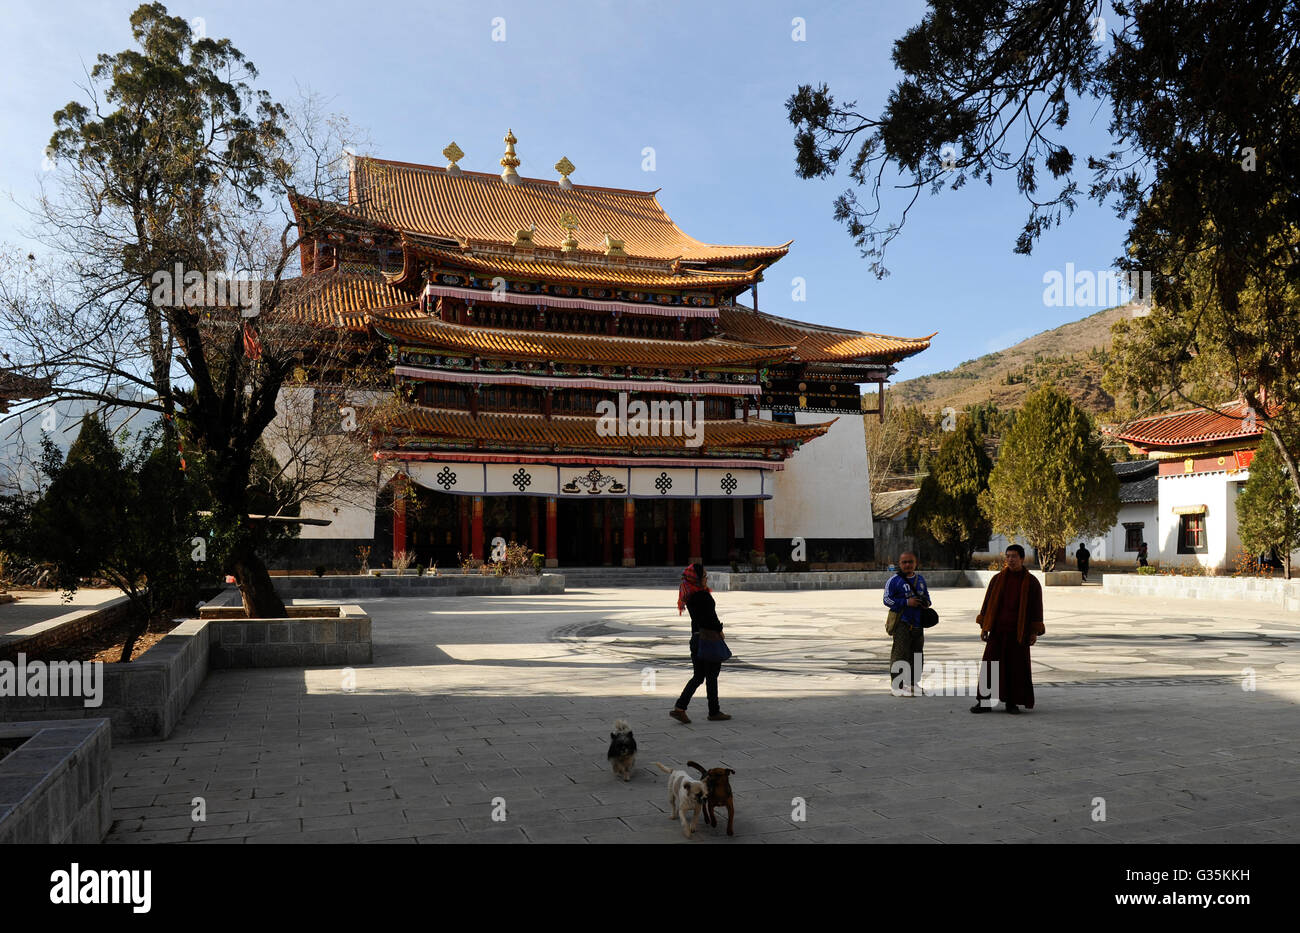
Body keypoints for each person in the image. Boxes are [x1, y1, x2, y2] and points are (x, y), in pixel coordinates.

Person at [971, 544, 1044, 714]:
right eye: (1008, 556)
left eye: (1014, 556)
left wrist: (1033, 631)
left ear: (1022, 559)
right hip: (997, 631)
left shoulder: (1031, 582)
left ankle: (1012, 702)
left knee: (1016, 668)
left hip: (1019, 632)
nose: (1010, 559)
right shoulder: (997, 579)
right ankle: (984, 702)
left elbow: (1036, 608)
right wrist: (984, 626)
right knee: (990, 665)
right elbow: (987, 604)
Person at [670, 563, 731, 723]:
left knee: (698, 676)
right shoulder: (702, 596)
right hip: (708, 638)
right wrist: (719, 630)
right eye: (704, 576)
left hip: (696, 639)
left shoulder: (690, 595)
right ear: (696, 578)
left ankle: (680, 708)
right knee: (711, 676)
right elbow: (710, 618)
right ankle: (714, 711)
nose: (706, 578)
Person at [883, 551, 931, 697]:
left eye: (910, 562)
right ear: (900, 564)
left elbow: (927, 597)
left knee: (917, 654)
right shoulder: (894, 581)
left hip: (918, 623)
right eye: (904, 562)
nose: (907, 565)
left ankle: (913, 683)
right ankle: (896, 685)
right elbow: (887, 599)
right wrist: (906, 602)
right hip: (901, 622)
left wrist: (926, 603)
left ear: (916, 563)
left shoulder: (921, 580)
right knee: (900, 654)